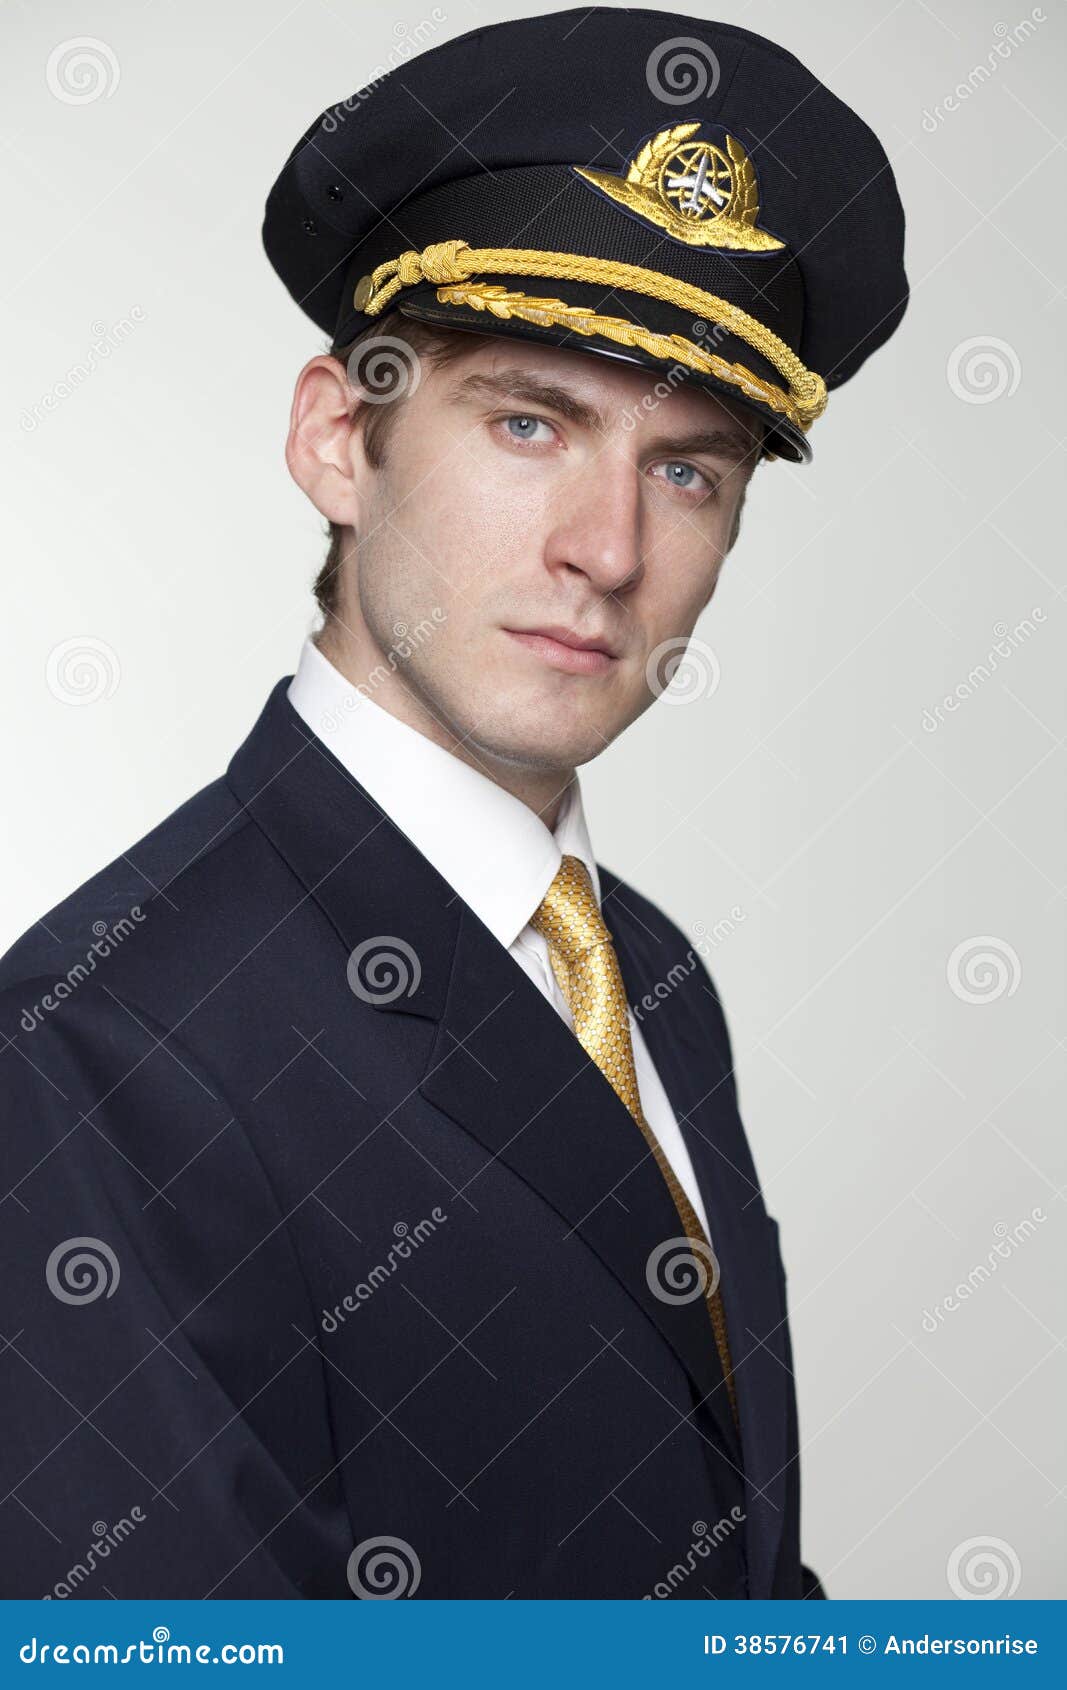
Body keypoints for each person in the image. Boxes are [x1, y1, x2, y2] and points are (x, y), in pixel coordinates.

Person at [0, 7, 906, 1599]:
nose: (609, 548)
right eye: (528, 421)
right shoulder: (97, 1048)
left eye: (690, 469)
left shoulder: (653, 975)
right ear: (340, 438)